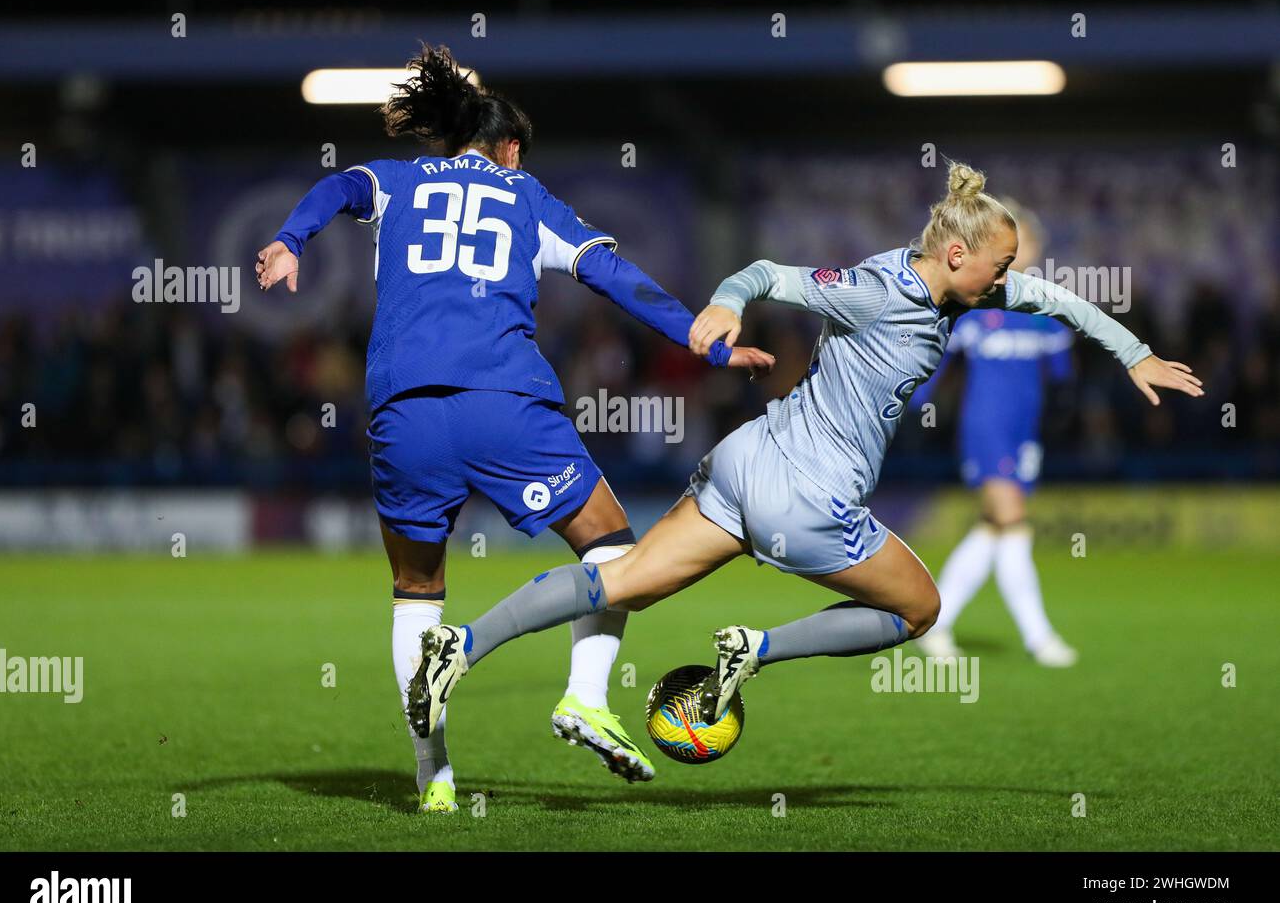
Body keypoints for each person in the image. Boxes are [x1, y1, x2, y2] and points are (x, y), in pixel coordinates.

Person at [404, 161, 1202, 750]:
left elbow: (1053, 298)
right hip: (808, 501)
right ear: (959, 257)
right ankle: (759, 648)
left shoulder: (950, 284)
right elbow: (765, 273)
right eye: (1002, 263)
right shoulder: (873, 289)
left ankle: (460, 646)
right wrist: (726, 301)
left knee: (624, 581)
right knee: (916, 611)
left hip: (745, 463)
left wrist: (1132, 353)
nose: (1010, 277)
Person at [255, 44, 774, 809]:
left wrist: (288, 240)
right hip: (505, 401)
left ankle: (434, 779)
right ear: (510, 148)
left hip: (404, 411)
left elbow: (338, 186)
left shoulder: (397, 181)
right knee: (612, 547)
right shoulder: (527, 195)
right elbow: (615, 278)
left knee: (415, 591)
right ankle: (585, 699)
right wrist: (707, 338)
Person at [911, 199, 1079, 666]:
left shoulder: (1047, 309)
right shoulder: (973, 305)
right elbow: (934, 364)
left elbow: (1063, 379)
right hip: (985, 430)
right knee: (1013, 523)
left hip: (1025, 433)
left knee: (992, 530)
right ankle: (1038, 637)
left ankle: (934, 623)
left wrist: (1065, 415)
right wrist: (912, 408)